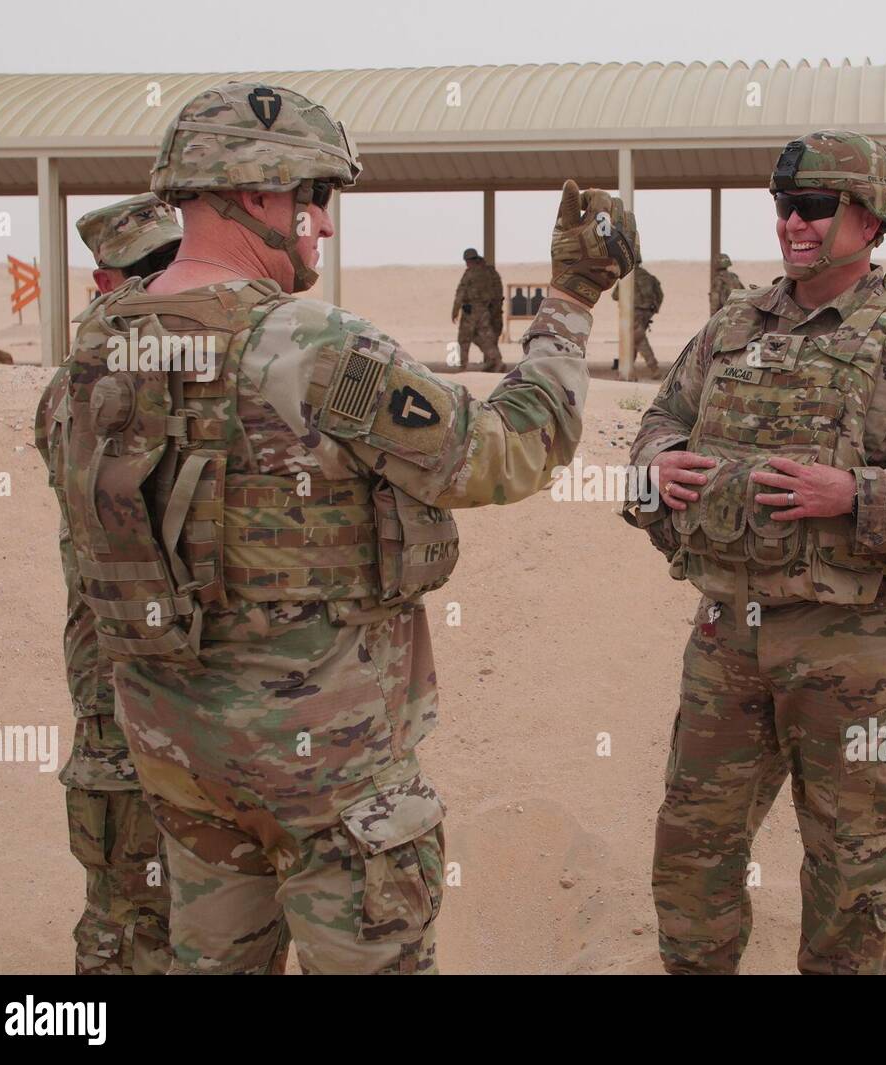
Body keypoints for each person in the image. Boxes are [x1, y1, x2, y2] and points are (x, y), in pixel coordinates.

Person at [51, 82, 635, 974]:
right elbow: (510, 450)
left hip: (180, 770)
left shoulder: (93, 352)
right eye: (314, 196)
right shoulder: (313, 345)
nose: (324, 221)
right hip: (329, 789)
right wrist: (569, 302)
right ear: (256, 194)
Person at [622, 130, 886, 975]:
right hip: (729, 636)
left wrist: (861, 496)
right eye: (783, 207)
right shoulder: (731, 327)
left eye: (813, 208)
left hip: (857, 647)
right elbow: (660, 420)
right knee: (693, 844)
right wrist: (655, 466)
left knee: (851, 864)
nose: (792, 225)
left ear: (869, 221)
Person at [33, 194, 182, 974]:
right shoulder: (190, 367)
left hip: (113, 680)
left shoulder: (73, 380)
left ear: (100, 277)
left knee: (125, 904)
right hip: (186, 686)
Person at [451, 247, 505, 371]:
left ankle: (462, 365)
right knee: (485, 337)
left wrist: (455, 310)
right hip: (485, 310)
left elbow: (460, 293)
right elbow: (496, 292)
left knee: (464, 338)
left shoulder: (469, 273)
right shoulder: (488, 272)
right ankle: (495, 359)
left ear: (468, 260)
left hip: (470, 311)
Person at [611, 258, 663, 378]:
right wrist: (654, 309)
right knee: (633, 339)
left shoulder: (627, 278)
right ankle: (629, 369)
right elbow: (660, 294)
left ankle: (654, 368)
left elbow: (615, 295)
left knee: (639, 339)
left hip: (634, 312)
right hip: (647, 313)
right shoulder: (649, 277)